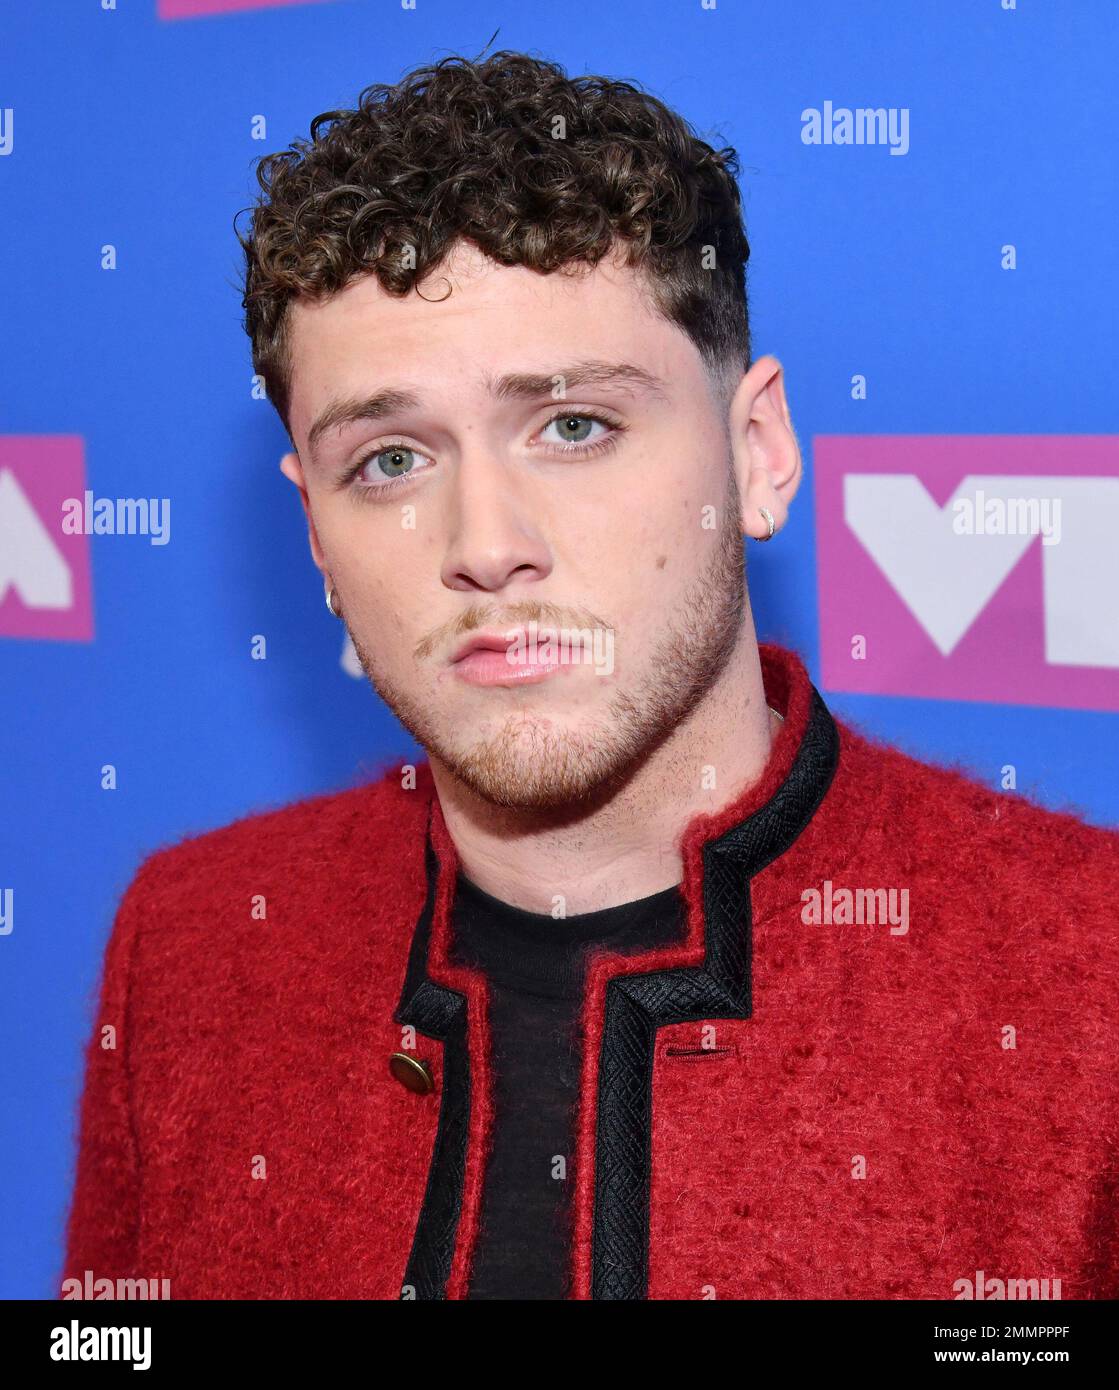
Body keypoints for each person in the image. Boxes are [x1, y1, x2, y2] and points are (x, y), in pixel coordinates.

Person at [61, 50, 1118, 1301]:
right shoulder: (187, 943)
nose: (485, 544)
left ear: (759, 454)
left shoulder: (1084, 974)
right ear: (314, 536)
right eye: (391, 459)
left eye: (574, 426)